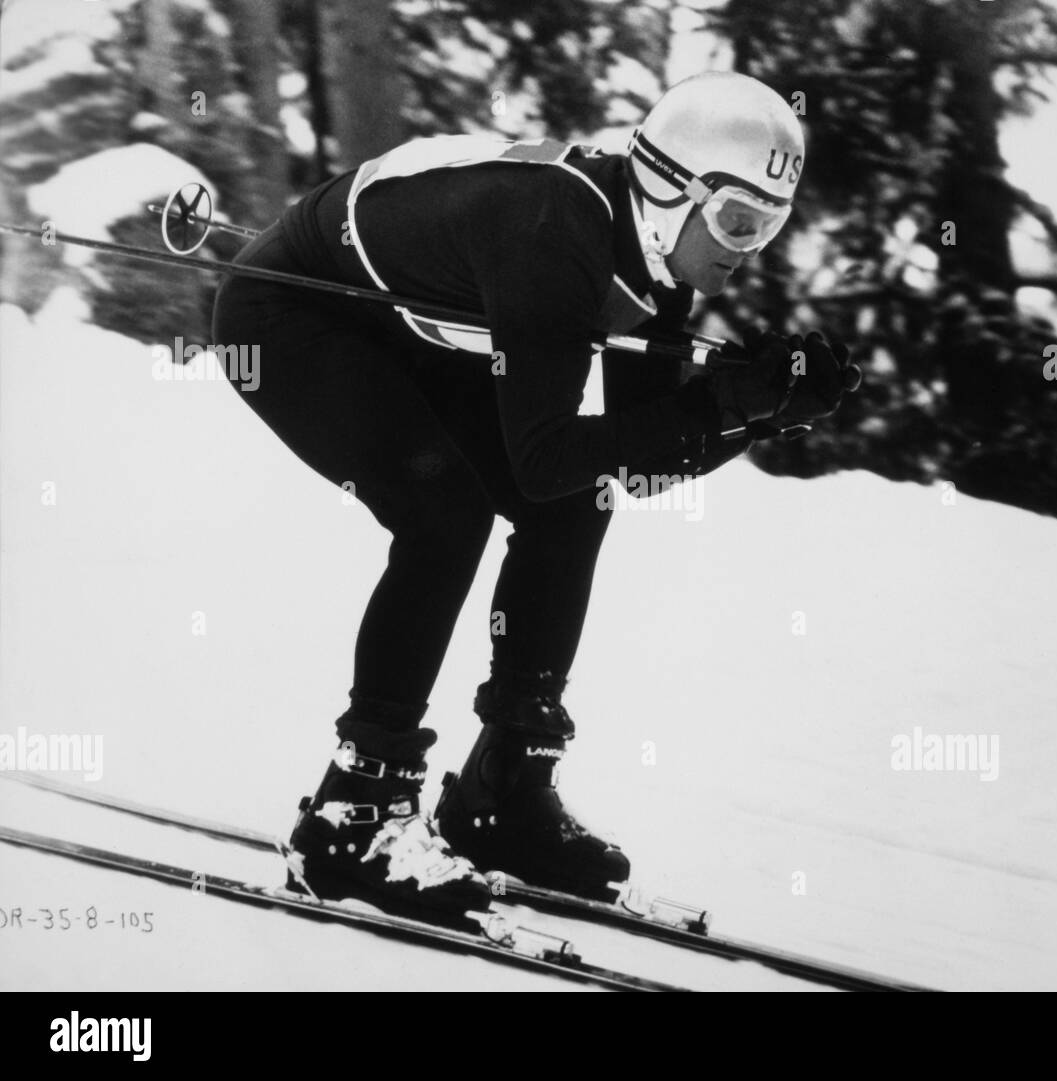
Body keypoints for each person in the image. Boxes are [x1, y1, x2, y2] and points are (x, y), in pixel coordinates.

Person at [211, 71, 856, 926]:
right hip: (294, 315)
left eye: (771, 224)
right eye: (740, 218)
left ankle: (502, 791)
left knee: (573, 505)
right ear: (673, 190)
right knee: (444, 517)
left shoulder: (657, 257)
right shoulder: (558, 231)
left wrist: (757, 414)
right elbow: (550, 452)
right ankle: (353, 815)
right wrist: (716, 404)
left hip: (410, 324)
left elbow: (637, 464)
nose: (749, 247)